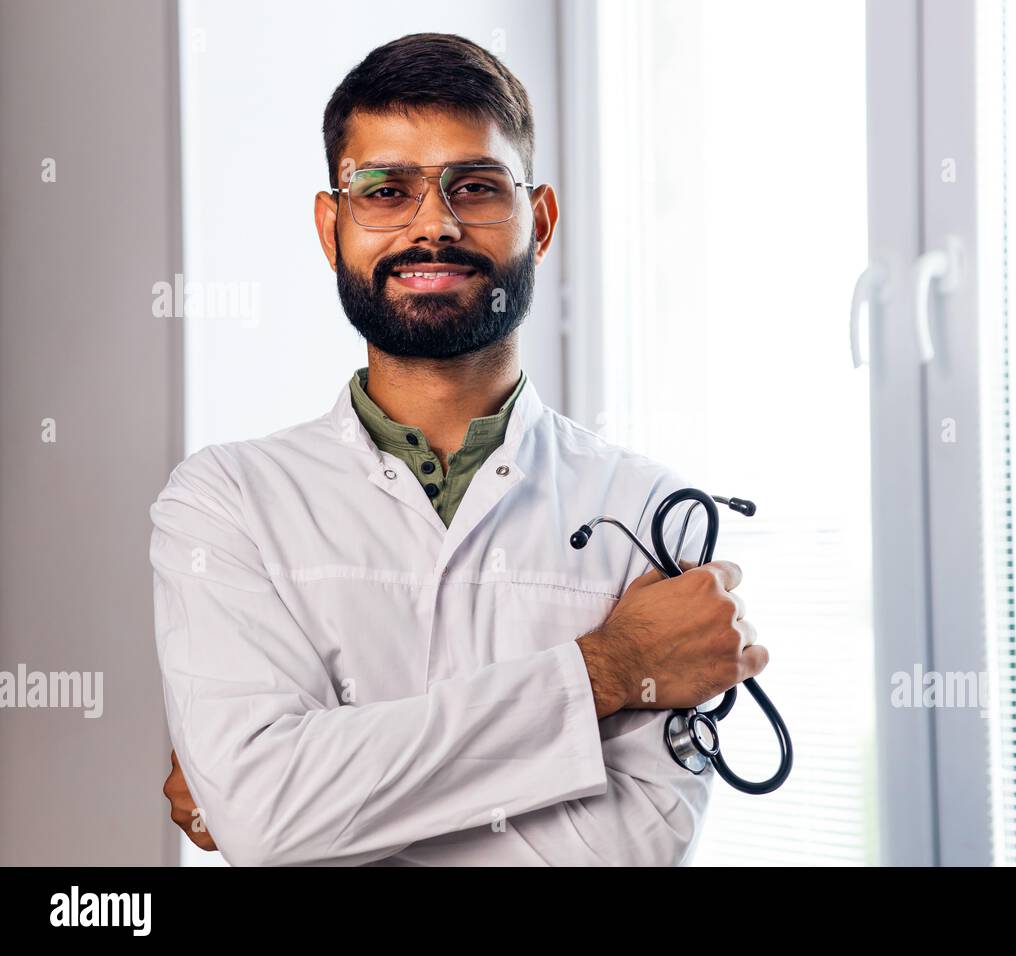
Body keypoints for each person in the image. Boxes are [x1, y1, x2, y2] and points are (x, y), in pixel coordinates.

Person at [151, 32, 768, 866]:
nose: (432, 224)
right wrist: (605, 672)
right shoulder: (224, 501)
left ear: (538, 221)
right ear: (331, 227)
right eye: (386, 190)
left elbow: (625, 847)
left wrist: (319, 793)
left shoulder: (653, 515)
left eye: (475, 187)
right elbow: (267, 811)